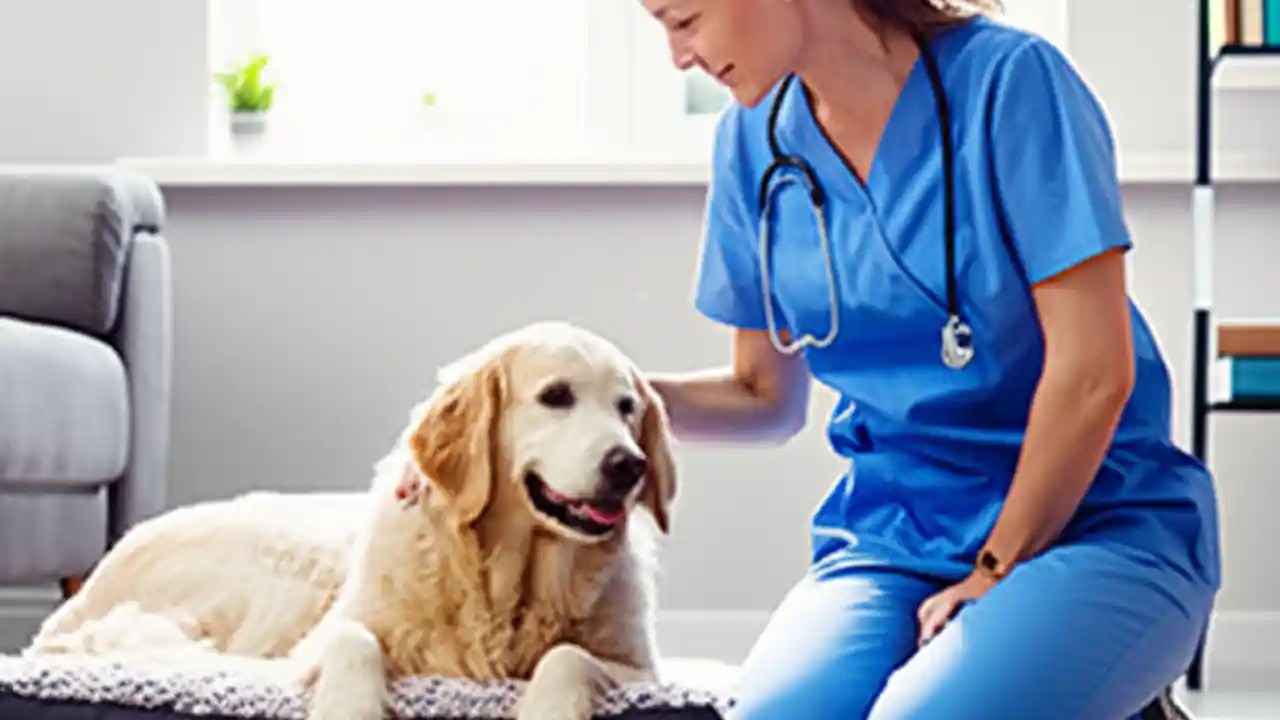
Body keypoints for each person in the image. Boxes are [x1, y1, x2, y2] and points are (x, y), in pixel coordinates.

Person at [641, 1, 1221, 718]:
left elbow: (1094, 374)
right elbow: (765, 396)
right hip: (896, 536)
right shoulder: (752, 140)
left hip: (1098, 522)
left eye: (684, 19)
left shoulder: (1011, 82)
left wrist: (994, 568)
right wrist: (607, 395)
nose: (679, 57)